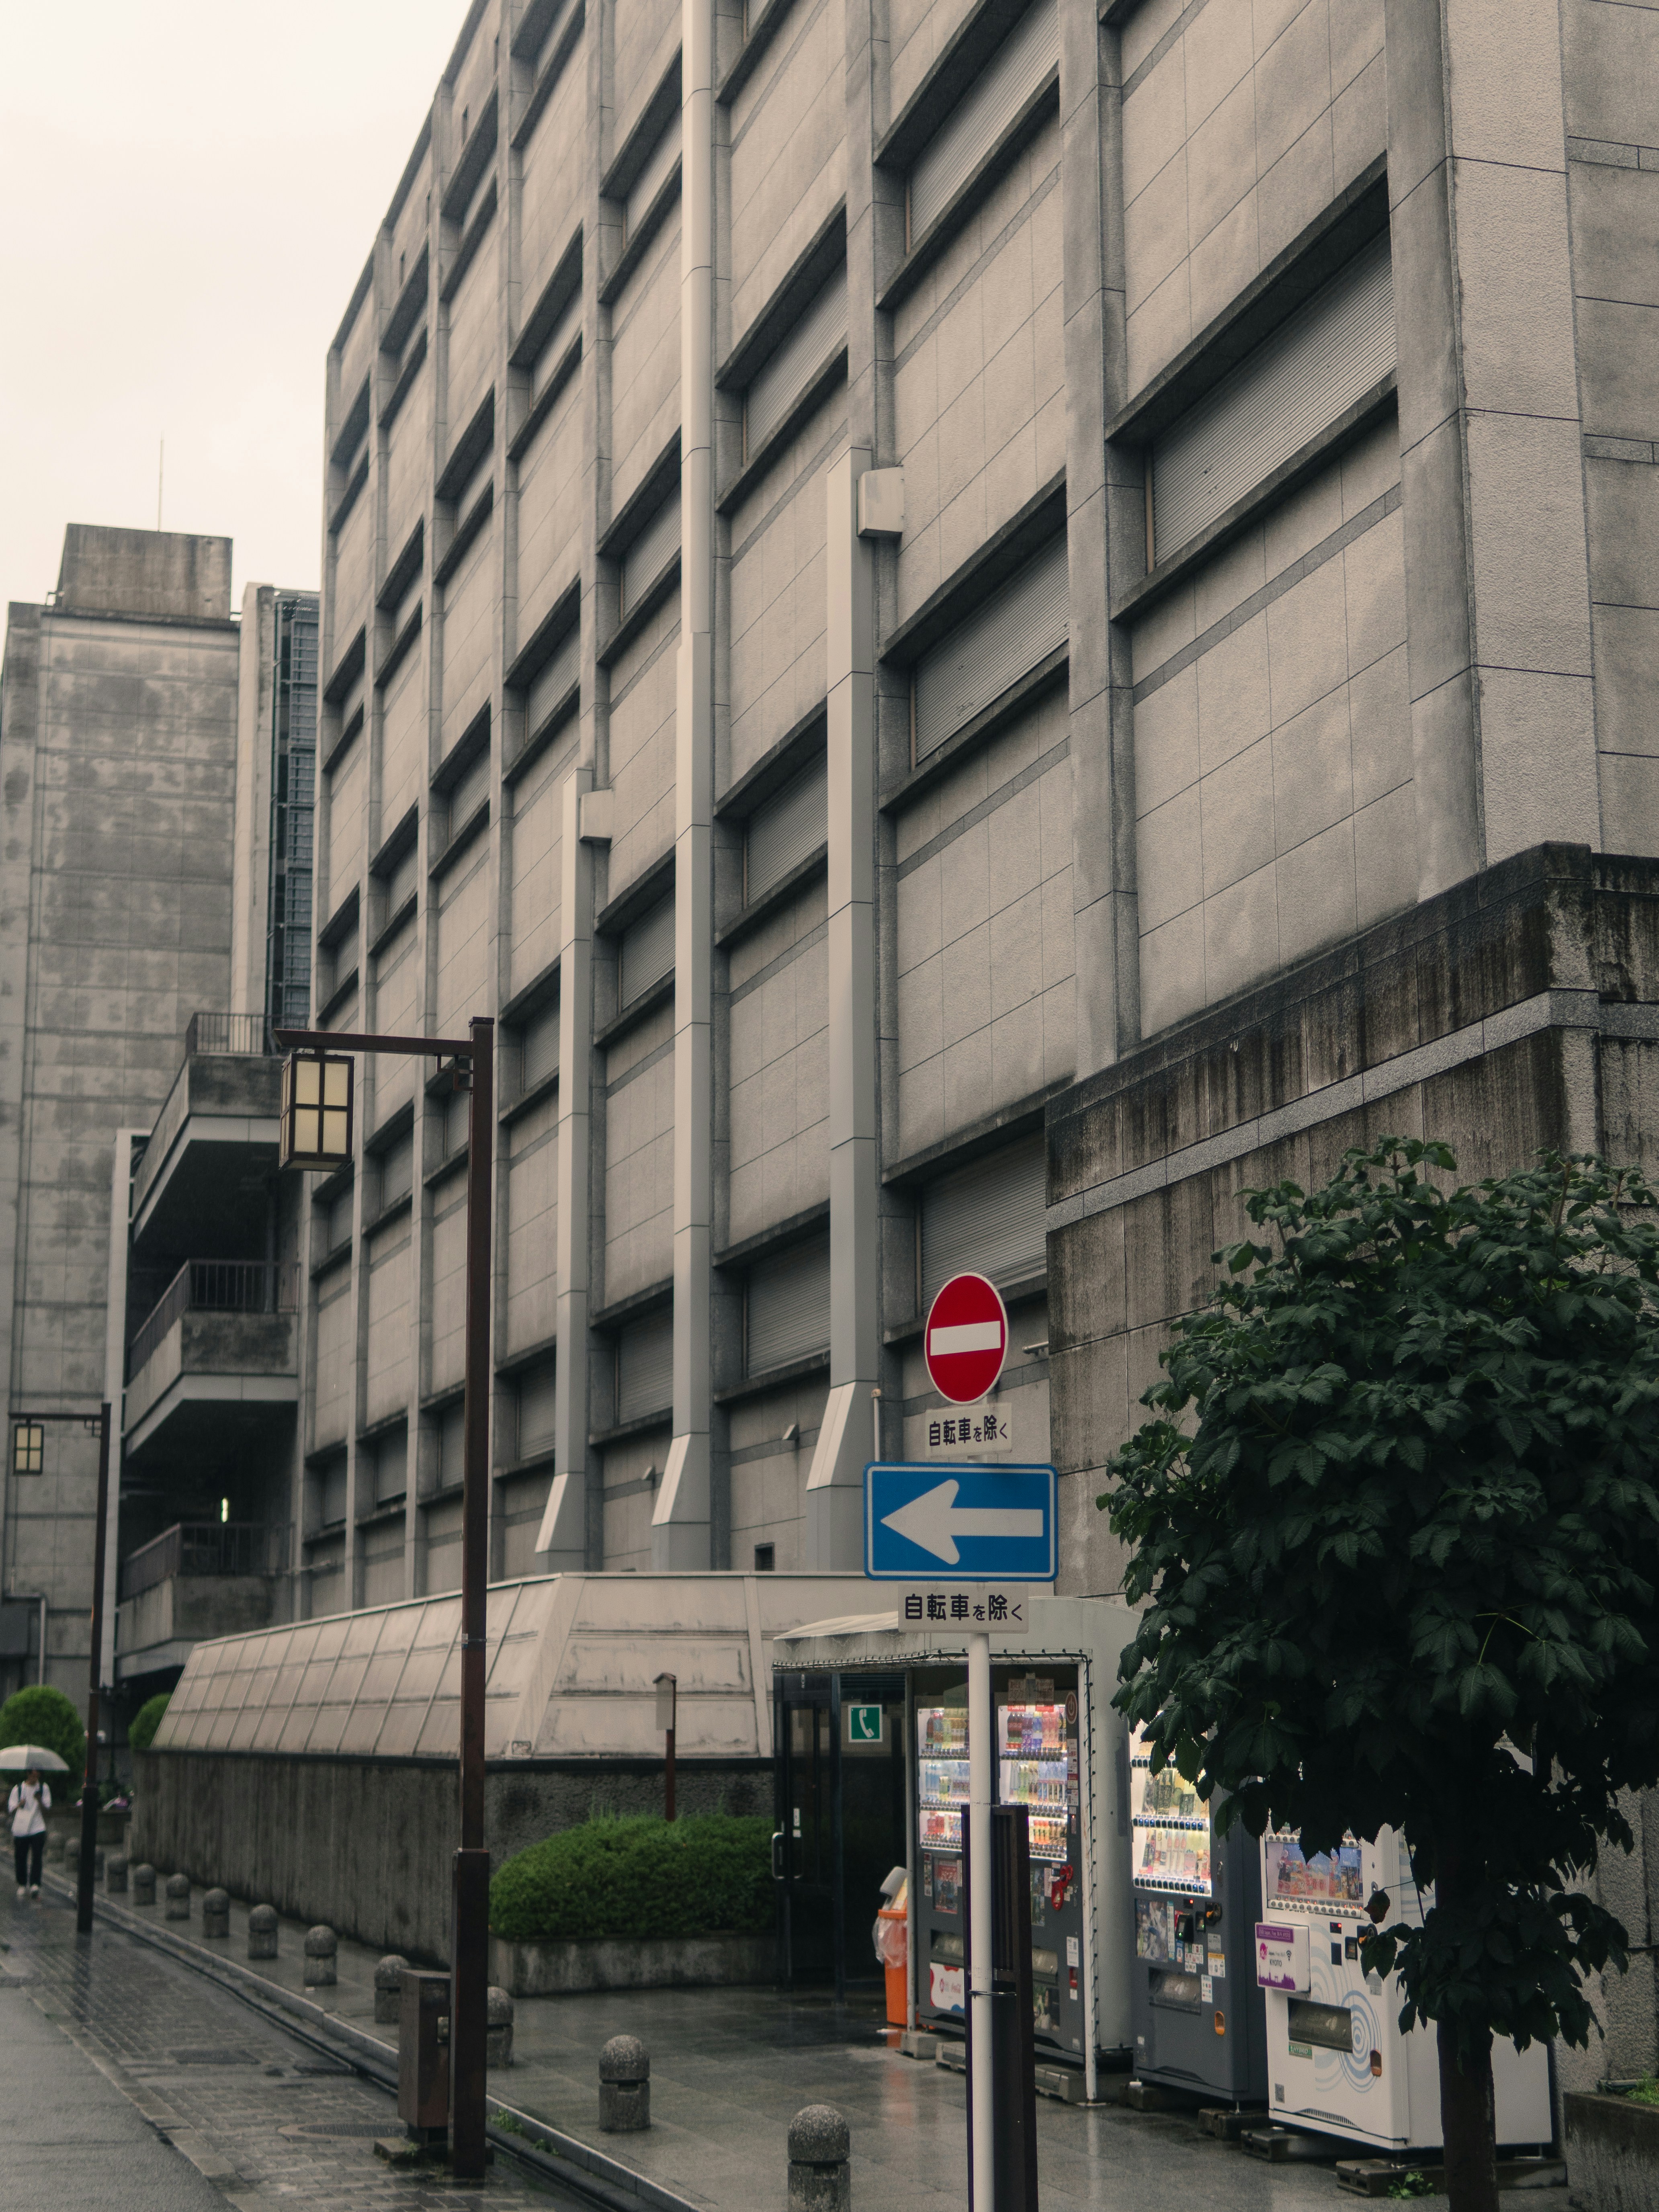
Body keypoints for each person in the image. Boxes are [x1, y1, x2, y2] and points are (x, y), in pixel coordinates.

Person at [8, 1767, 50, 1897]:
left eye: (37, 1776)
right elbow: (11, 1809)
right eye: (33, 1776)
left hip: (38, 1827)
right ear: (28, 1774)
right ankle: (22, 1884)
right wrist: (19, 1805)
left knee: (37, 1856)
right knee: (21, 1857)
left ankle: (35, 1884)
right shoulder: (19, 1789)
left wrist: (39, 1800)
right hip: (22, 1828)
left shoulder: (44, 1788)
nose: (35, 1779)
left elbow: (47, 1809)